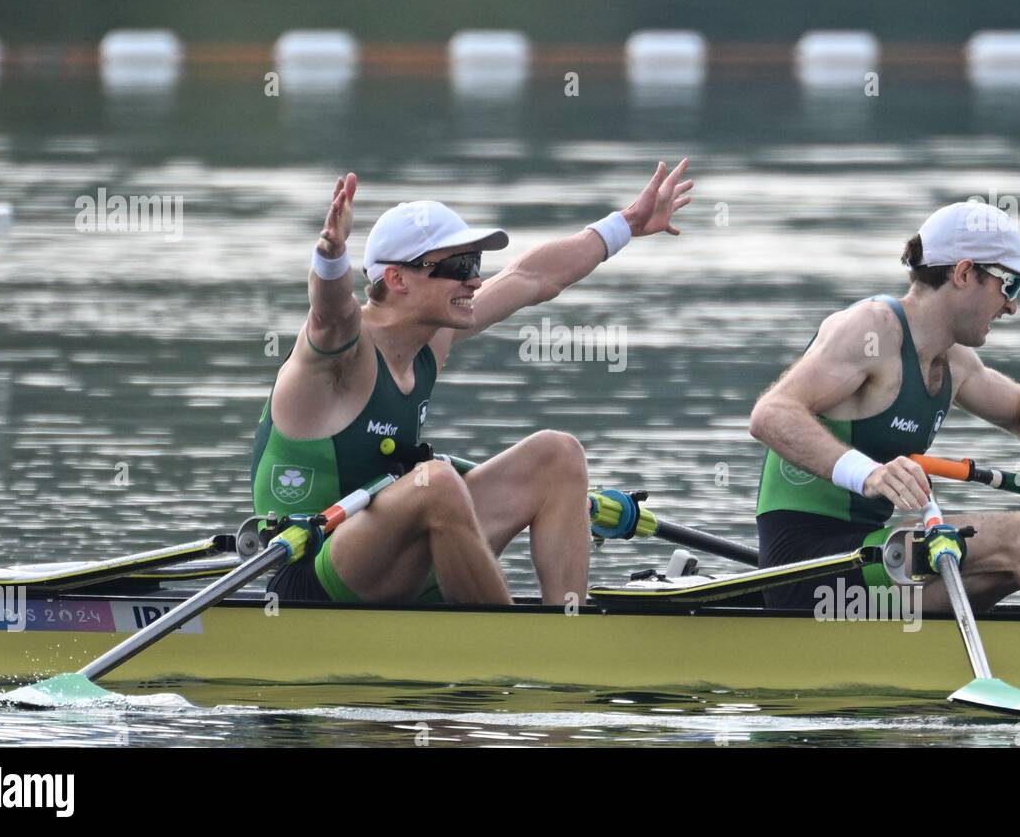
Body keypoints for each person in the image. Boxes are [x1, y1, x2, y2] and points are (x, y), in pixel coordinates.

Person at [251, 161, 692, 606]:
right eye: (459, 266)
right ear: (397, 278)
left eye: (475, 263)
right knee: (435, 482)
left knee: (557, 455)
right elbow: (330, 311)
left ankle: (565, 627)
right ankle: (502, 643)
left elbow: (534, 277)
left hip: (394, 556)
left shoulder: (434, 337)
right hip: (310, 573)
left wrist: (625, 225)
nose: (475, 279)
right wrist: (330, 256)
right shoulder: (339, 354)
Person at [749, 200, 1020, 615]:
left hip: (876, 560)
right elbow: (772, 414)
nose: (1012, 305)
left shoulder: (954, 361)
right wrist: (869, 474)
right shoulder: (870, 329)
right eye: (1010, 284)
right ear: (964, 273)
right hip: (805, 572)